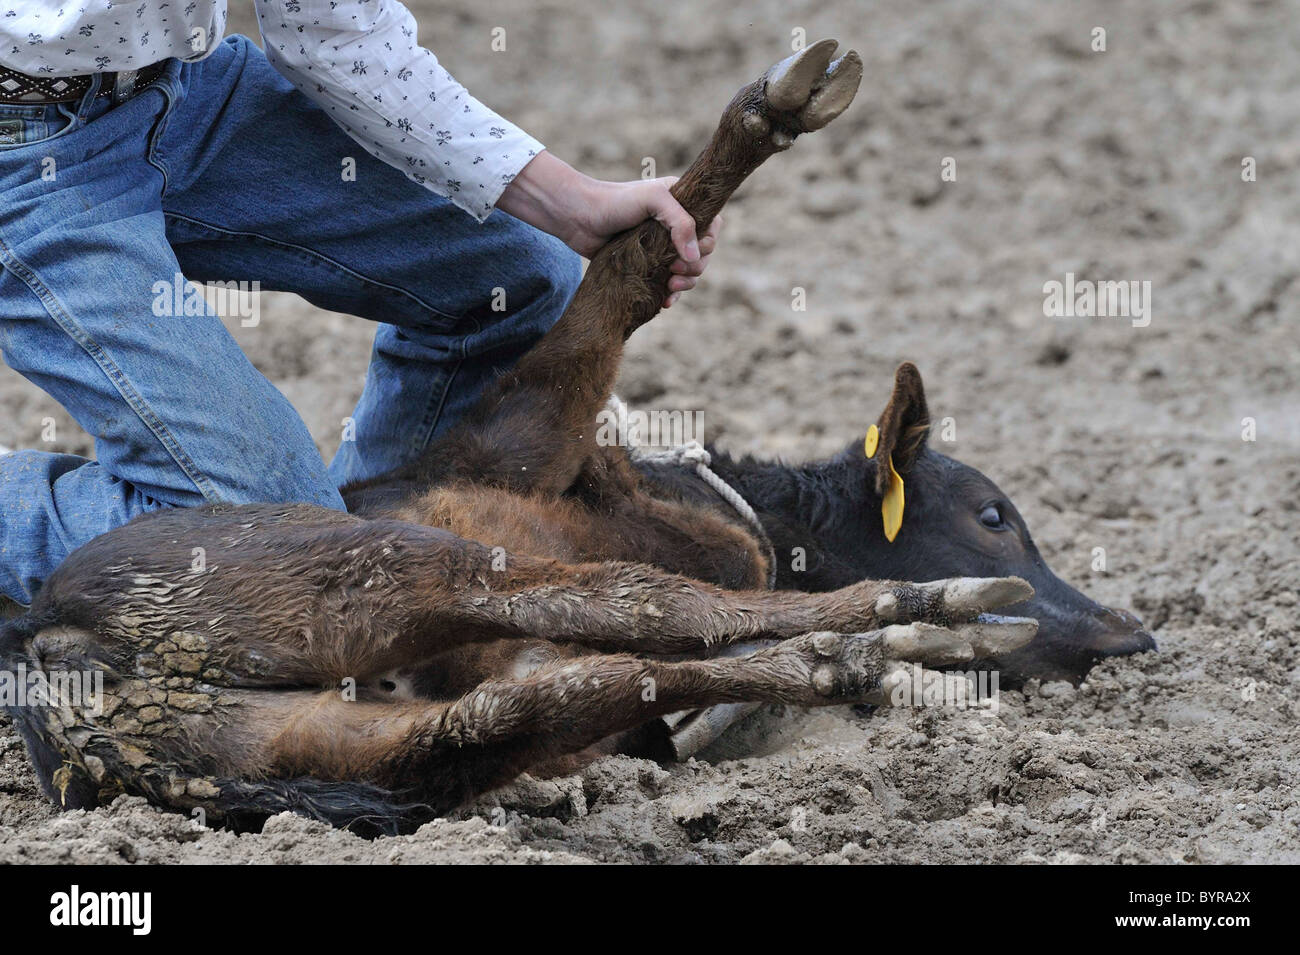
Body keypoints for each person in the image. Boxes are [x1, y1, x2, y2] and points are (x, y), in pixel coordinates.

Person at [0, 1, 720, 606]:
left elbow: (334, 31)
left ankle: (371, 562)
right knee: (265, 529)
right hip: (20, 150)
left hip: (184, 92)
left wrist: (574, 203)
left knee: (526, 282)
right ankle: (309, 559)